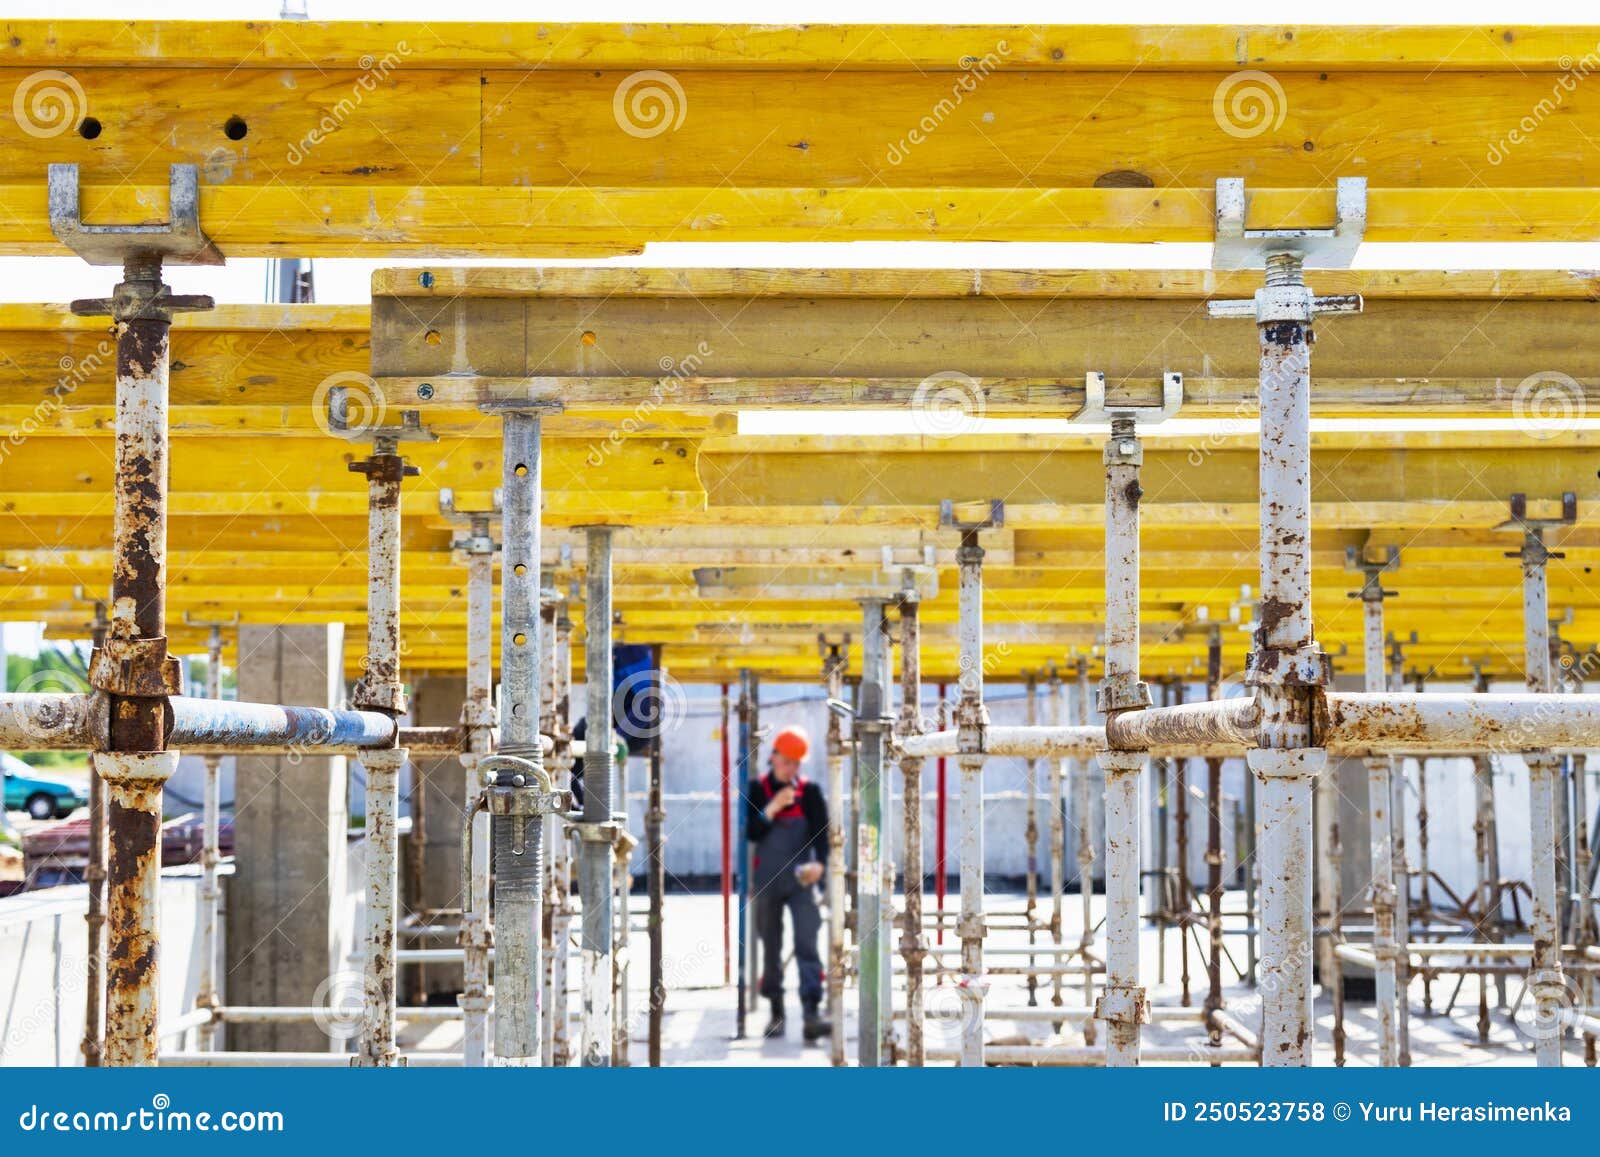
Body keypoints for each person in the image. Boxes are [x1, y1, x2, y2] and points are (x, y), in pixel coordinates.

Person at [746, 724, 832, 1042]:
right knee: (770, 947)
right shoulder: (756, 790)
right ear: (773, 758)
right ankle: (777, 1012)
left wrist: (819, 865)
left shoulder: (810, 793)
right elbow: (751, 833)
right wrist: (773, 807)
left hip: (800, 880)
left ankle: (811, 1011)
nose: (791, 769)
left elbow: (822, 837)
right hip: (767, 880)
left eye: (797, 763)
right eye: (787, 762)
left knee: (807, 943)